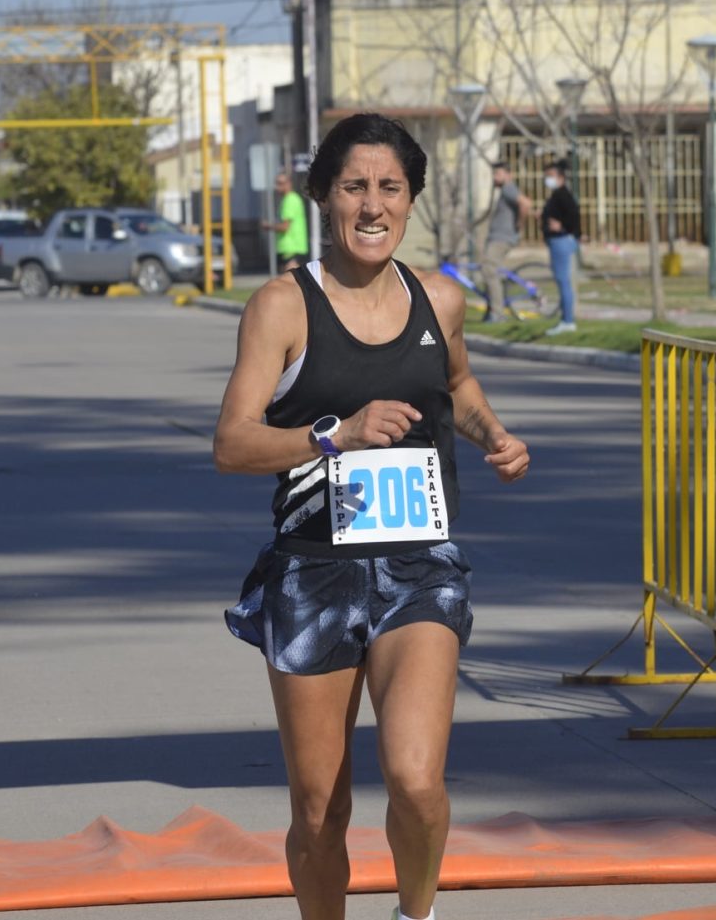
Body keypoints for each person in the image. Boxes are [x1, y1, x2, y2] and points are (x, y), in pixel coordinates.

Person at [214, 112, 530, 920]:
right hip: (313, 573)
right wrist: (334, 433)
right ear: (323, 194)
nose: (372, 204)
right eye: (354, 185)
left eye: (390, 187)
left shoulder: (441, 297)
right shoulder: (282, 306)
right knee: (321, 813)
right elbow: (233, 442)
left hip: (419, 566)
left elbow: (455, 385)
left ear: (412, 199)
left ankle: (413, 915)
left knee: (418, 783)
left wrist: (493, 433)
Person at [480, 161, 531, 323]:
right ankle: (491, 311)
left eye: (498, 174)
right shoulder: (505, 191)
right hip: (497, 237)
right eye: (494, 174)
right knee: (489, 272)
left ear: (508, 175)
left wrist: (519, 224)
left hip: (502, 238)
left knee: (489, 270)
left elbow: (525, 203)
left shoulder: (509, 188)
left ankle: (497, 313)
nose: (495, 177)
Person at [540, 159, 580, 335]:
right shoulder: (557, 195)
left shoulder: (563, 195)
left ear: (561, 177)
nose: (547, 179)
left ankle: (568, 320)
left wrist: (563, 227)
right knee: (562, 281)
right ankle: (566, 319)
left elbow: (574, 215)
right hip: (556, 241)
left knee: (564, 282)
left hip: (561, 241)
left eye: (551, 176)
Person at [264, 171, 311, 273]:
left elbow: (285, 227)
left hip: (292, 248)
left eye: (281, 183)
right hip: (287, 248)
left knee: (291, 284)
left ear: (289, 183)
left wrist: (268, 226)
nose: (277, 186)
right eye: (277, 183)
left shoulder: (290, 200)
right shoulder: (287, 199)